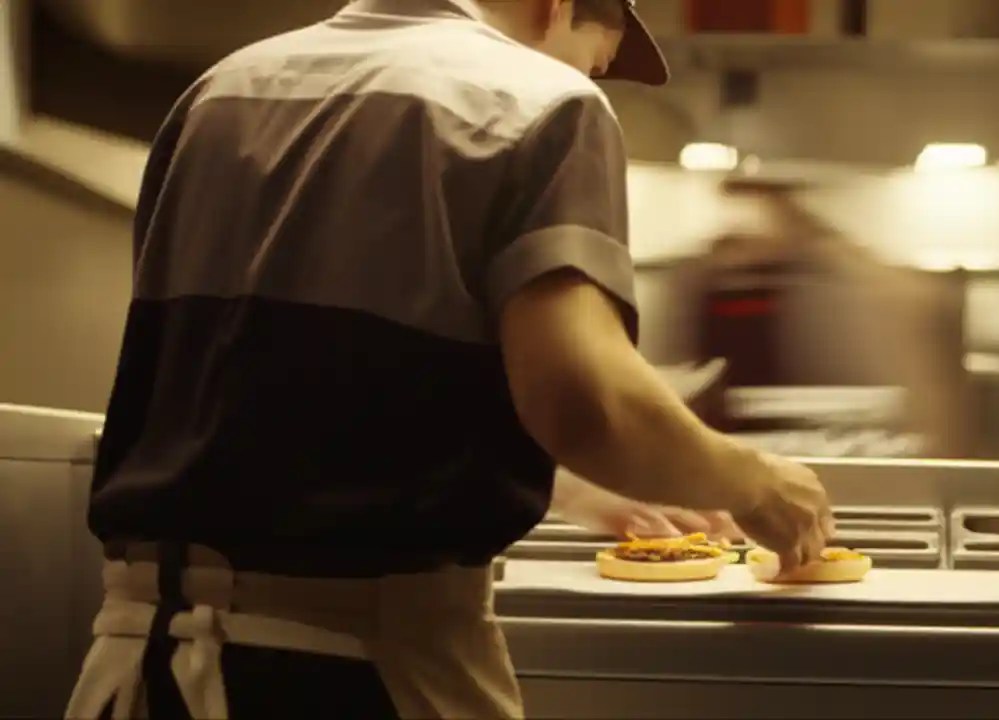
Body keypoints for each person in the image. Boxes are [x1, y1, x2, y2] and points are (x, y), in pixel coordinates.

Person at [65, 0, 835, 717]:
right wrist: (756, 482)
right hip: (352, 668)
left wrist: (547, 478)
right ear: (557, 4)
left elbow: (257, 381)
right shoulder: (540, 100)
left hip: (131, 665)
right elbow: (585, 403)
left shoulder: (222, 89)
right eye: (594, 62)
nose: (589, 80)